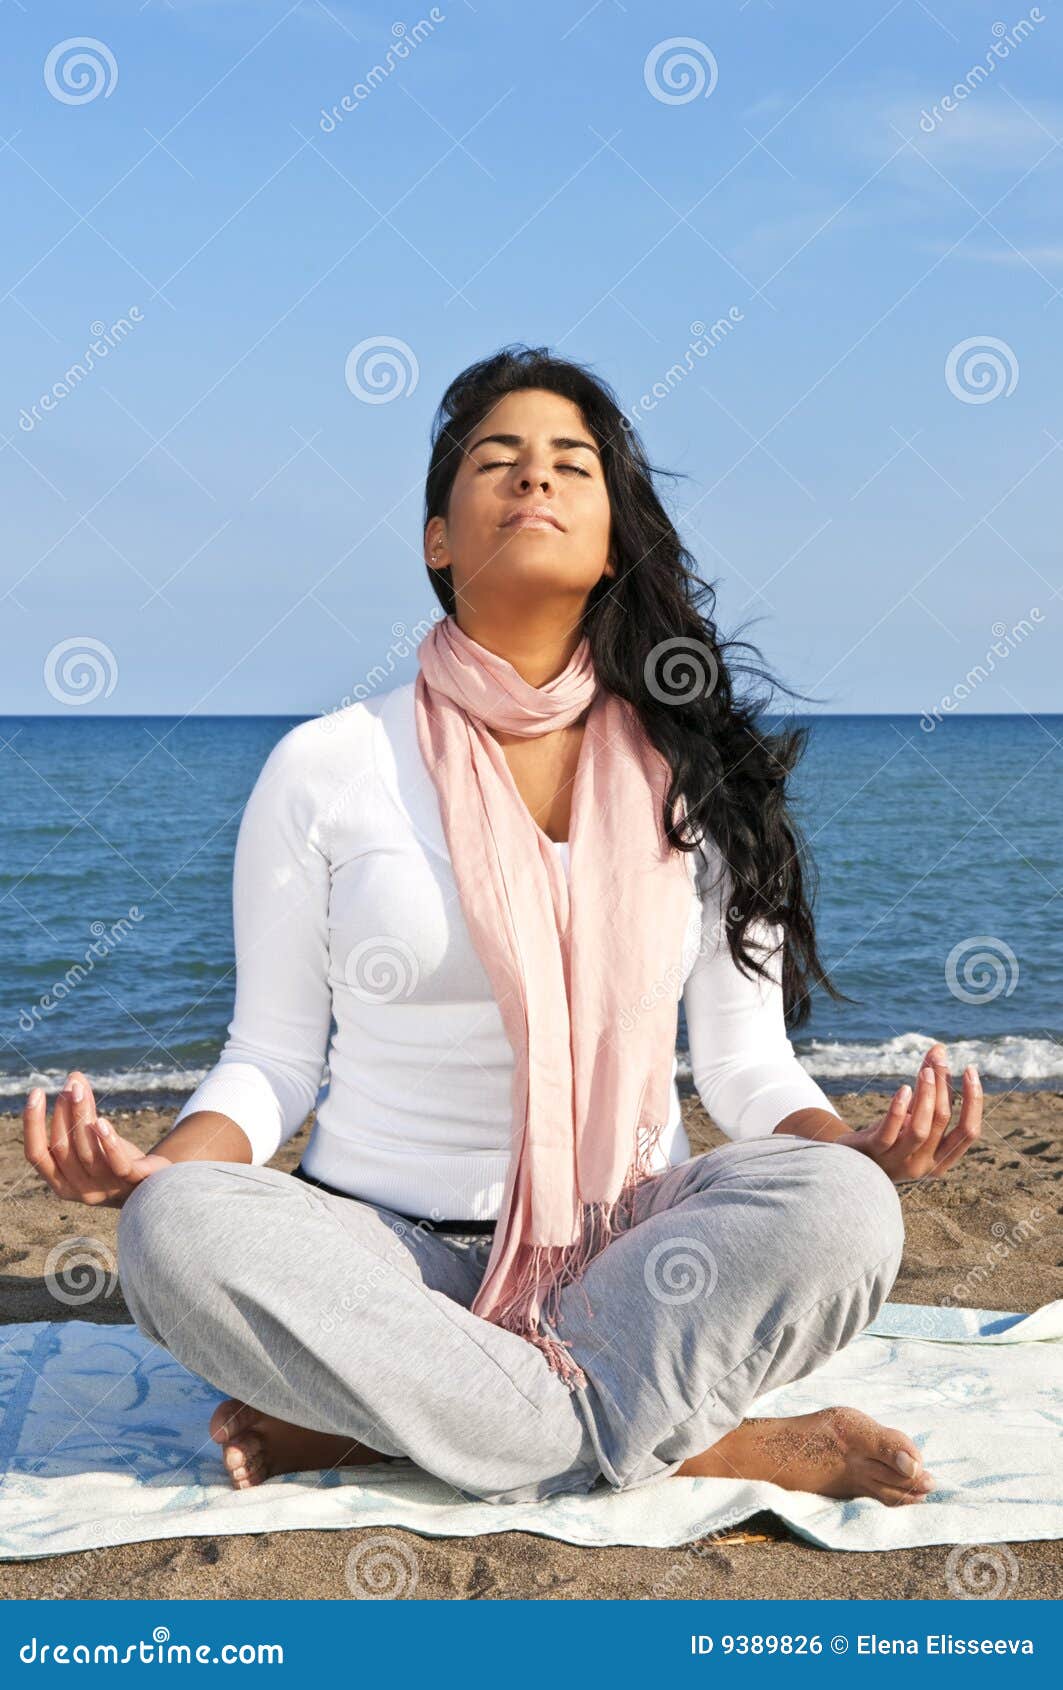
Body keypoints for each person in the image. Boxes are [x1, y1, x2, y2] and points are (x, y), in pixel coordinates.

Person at [23, 346, 981, 1509]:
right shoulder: (327, 765)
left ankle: (401, 1428)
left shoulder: (700, 777)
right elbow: (271, 1059)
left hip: (629, 1254)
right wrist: (157, 1165)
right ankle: (704, 1440)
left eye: (570, 464)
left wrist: (858, 1151)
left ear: (613, 537)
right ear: (438, 538)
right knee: (174, 1231)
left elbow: (742, 1064)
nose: (535, 479)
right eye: (498, 461)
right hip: (378, 1258)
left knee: (843, 1211)